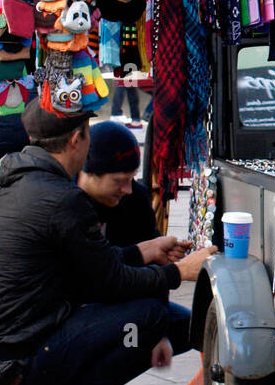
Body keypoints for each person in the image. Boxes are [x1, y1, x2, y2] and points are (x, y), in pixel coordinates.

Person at [0, 100, 213, 385]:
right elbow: (109, 282)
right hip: (10, 357)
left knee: (149, 323)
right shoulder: (63, 199)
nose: (127, 189)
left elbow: (84, 267)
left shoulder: (21, 187)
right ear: (77, 139)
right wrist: (180, 272)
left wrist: (142, 251)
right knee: (149, 318)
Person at [77, 120, 191, 355]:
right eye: (119, 181)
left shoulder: (135, 198)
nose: (127, 189)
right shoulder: (67, 205)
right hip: (76, 311)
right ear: (89, 172)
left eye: (131, 179)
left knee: (188, 326)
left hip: (125, 298)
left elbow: (152, 278)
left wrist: (162, 255)